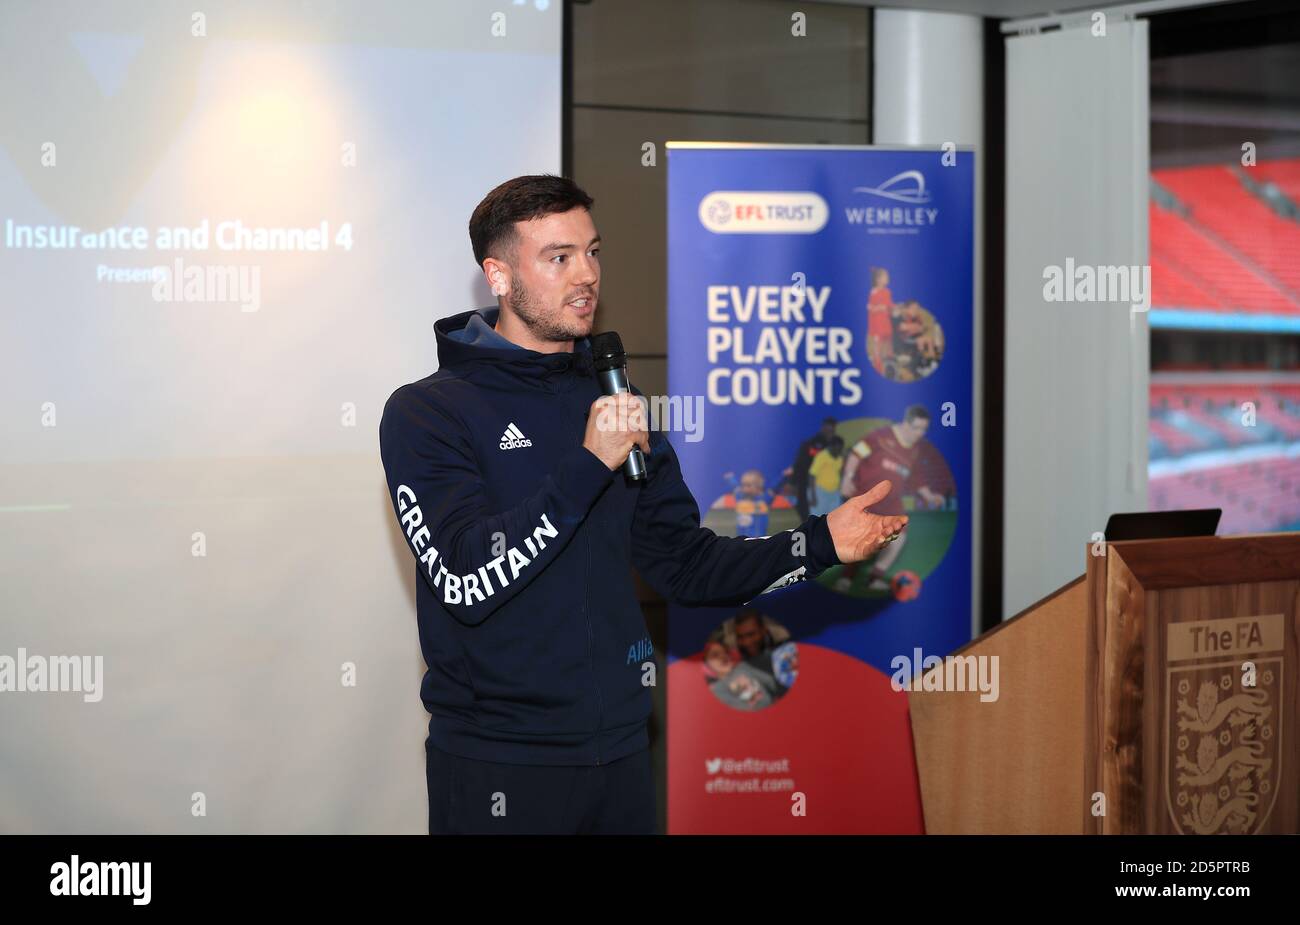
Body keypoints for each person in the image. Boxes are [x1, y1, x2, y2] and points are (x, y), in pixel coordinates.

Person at [379, 174, 907, 835]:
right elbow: (466, 580)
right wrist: (587, 465)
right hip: (501, 765)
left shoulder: (616, 401)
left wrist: (819, 542)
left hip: (624, 754)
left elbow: (687, 566)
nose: (586, 275)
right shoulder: (428, 413)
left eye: (592, 252)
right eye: (559, 257)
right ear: (500, 276)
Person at [834, 405, 944, 595]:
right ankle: (846, 578)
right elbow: (856, 453)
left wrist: (930, 496)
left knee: (900, 537)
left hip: (891, 504)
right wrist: (847, 477)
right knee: (861, 540)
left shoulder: (915, 451)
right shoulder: (879, 436)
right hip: (867, 497)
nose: (920, 433)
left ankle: (874, 578)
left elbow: (917, 479)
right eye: (917, 428)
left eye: (924, 429)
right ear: (906, 423)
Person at [787, 417, 837, 520]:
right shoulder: (811, 443)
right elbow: (800, 463)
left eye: (832, 427)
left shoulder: (836, 445)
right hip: (806, 481)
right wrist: (793, 482)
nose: (830, 430)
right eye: (828, 427)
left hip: (826, 485)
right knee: (805, 510)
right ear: (823, 427)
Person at [808, 435, 845, 516]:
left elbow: (840, 473)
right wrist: (813, 496)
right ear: (831, 447)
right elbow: (812, 475)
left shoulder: (840, 458)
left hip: (834, 492)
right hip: (821, 492)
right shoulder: (821, 456)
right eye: (837, 449)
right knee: (817, 518)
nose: (839, 451)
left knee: (833, 517)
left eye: (840, 449)